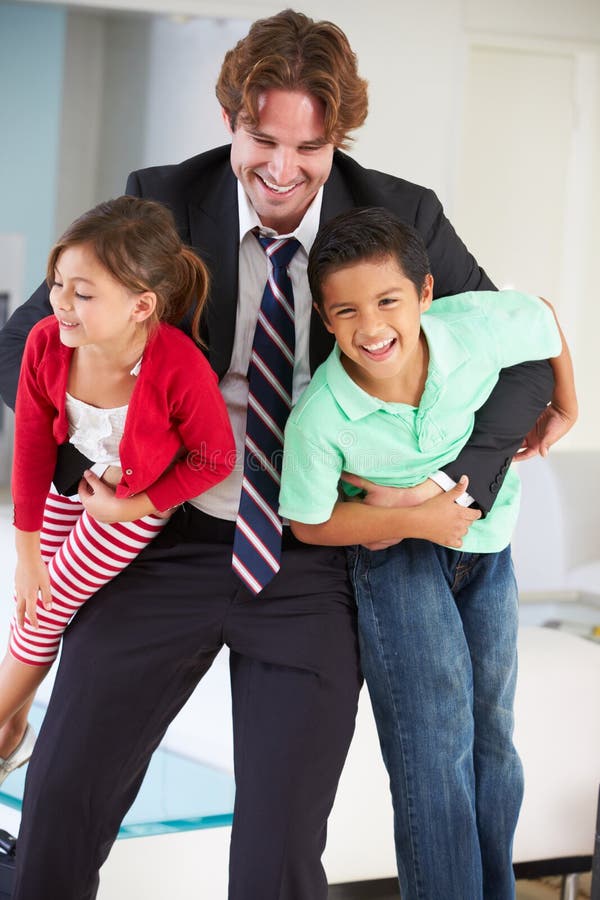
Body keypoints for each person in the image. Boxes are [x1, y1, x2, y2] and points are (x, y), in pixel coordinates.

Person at [0, 10, 575, 900]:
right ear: (230, 119)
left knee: (278, 856)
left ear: (339, 138)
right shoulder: (160, 199)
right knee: (61, 807)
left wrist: (442, 490)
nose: (281, 168)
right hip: (166, 540)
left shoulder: (401, 214)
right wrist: (97, 474)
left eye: (309, 148)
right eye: (260, 138)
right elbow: (22, 350)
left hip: (311, 558)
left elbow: (519, 356)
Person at [278, 207, 565, 900]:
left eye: (388, 302)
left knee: (494, 740)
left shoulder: (465, 328)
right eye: (346, 311)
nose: (371, 328)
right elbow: (308, 522)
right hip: (396, 564)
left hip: (488, 551)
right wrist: (417, 520)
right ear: (324, 315)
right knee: (435, 747)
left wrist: (569, 402)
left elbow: (543, 317)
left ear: (426, 295)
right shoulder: (320, 416)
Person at [0, 196, 235, 788]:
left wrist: (132, 505)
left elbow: (215, 457)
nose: (59, 302)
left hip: (129, 510)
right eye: (57, 284)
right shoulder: (46, 343)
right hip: (70, 480)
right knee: (30, 601)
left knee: (47, 608)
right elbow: (30, 445)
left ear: (141, 305)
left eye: (83, 292)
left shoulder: (179, 366)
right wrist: (26, 553)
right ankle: (11, 734)